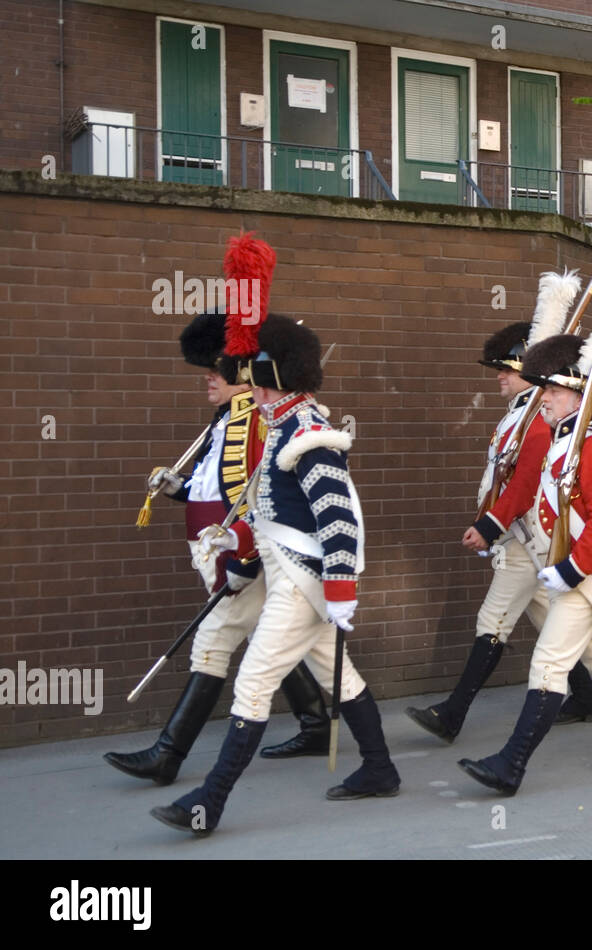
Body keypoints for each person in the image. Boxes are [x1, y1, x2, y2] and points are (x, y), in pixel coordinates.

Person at [150, 235, 399, 836]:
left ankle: (207, 801)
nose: (253, 393)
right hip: (288, 571)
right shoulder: (283, 425)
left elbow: (338, 519)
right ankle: (381, 767)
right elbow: (260, 507)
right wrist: (241, 562)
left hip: (307, 582)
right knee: (342, 678)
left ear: (279, 381)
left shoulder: (309, 436)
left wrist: (340, 592)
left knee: (255, 679)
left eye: (261, 384)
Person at [105, 323, 330, 787]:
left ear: (244, 375)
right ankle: (318, 723)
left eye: (217, 371)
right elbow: (212, 487)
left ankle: (168, 754)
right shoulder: (226, 419)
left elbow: (262, 497)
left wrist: (241, 552)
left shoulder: (254, 421)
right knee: (276, 640)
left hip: (245, 554)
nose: (209, 379)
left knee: (214, 641)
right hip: (223, 552)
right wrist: (177, 489)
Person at [458, 331, 592, 795]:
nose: (544, 398)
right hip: (574, 573)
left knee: (548, 665)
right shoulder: (565, 442)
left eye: (552, 390)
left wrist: (570, 570)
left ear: (578, 394)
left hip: (586, 576)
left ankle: (511, 765)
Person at [405, 272, 592, 742]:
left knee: (492, 620)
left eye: (504, 369)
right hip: (520, 535)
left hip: (523, 536)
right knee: (558, 624)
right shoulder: (521, 415)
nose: (498, 377)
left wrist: (490, 525)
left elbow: (528, 482)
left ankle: (453, 713)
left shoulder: (535, 420)